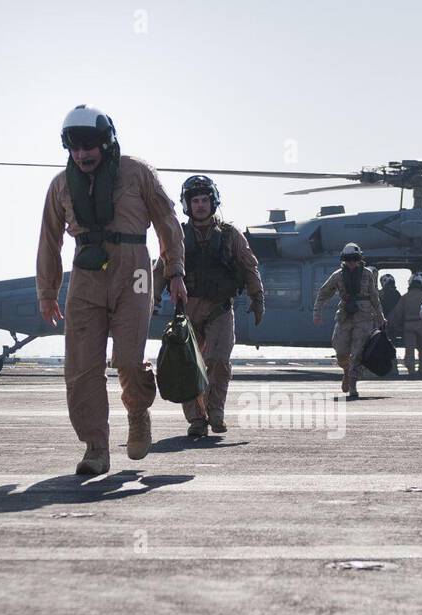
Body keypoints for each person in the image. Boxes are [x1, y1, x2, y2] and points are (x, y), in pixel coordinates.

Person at [36, 105, 185, 475]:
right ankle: (96, 447)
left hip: (133, 272)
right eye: (75, 148)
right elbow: (49, 240)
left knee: (129, 359)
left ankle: (137, 412)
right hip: (86, 276)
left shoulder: (137, 173)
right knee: (81, 368)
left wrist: (176, 270)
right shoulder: (60, 185)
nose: (83, 154)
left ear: (106, 142)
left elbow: (167, 221)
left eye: (89, 146)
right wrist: (47, 291)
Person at [157, 175, 265, 438]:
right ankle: (196, 419)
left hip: (220, 309)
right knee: (187, 364)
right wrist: (152, 299)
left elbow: (249, 266)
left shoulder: (230, 235)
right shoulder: (177, 237)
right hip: (187, 310)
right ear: (188, 204)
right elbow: (162, 268)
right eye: (195, 201)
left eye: (205, 200)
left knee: (218, 362)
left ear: (212, 201)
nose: (201, 205)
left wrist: (257, 296)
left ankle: (215, 412)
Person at [313, 243, 385, 400]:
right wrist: (317, 312)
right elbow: (324, 292)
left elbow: (374, 297)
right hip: (345, 314)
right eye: (348, 259)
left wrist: (380, 316)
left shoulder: (367, 275)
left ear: (359, 259)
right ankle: (345, 370)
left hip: (364, 316)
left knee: (358, 351)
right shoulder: (338, 275)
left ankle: (352, 383)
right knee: (340, 348)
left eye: (354, 259)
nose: (351, 262)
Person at [395, 274, 422, 377]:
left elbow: (398, 313)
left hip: (408, 324)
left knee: (409, 349)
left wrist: (397, 326)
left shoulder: (405, 297)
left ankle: (411, 371)